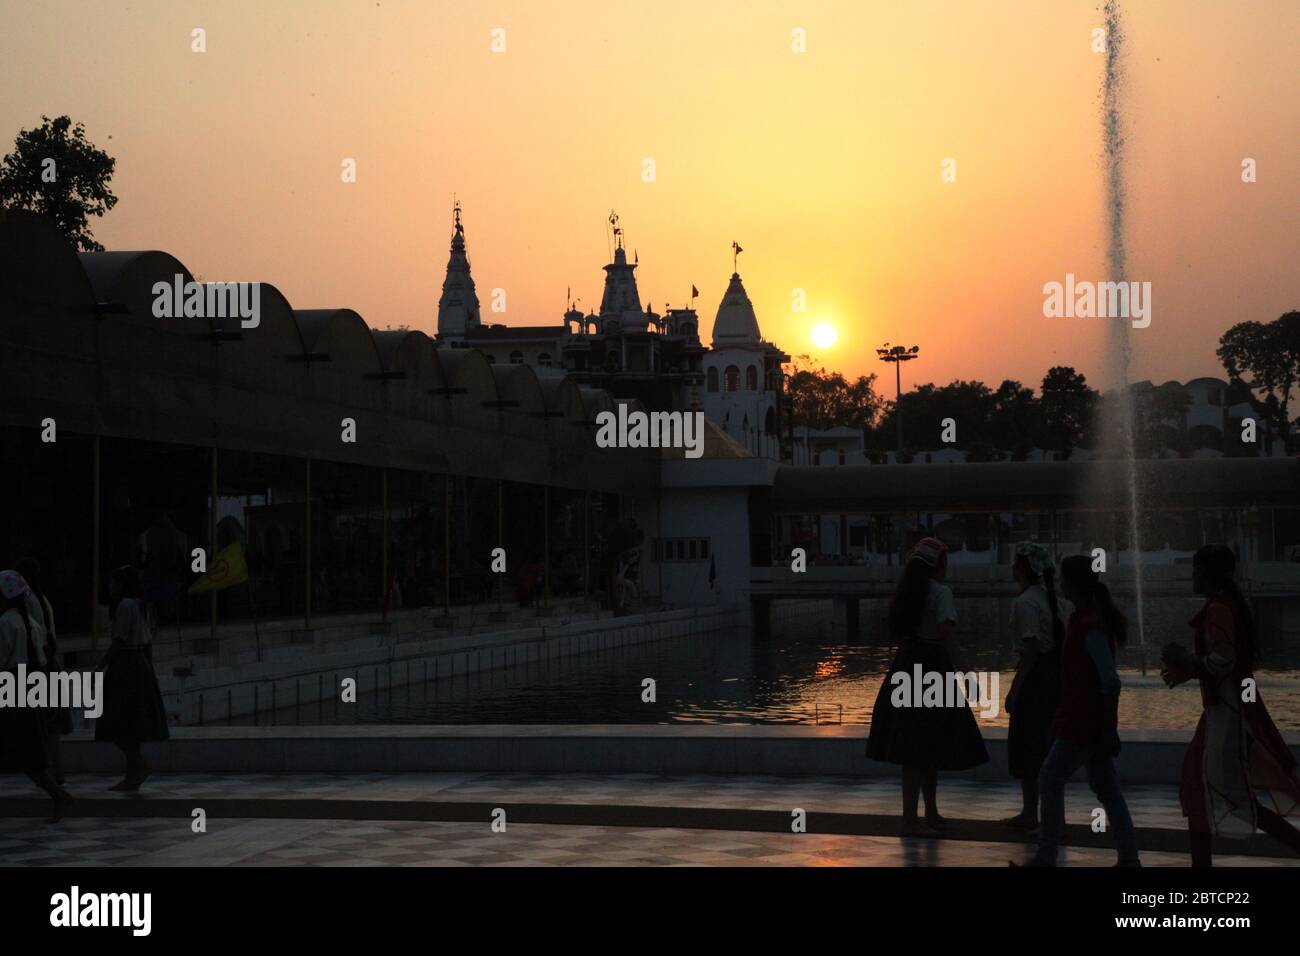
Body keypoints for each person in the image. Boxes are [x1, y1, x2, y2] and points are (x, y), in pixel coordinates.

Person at [1161, 544, 1300, 866]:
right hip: (1224, 712)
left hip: (1227, 715)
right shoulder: (1225, 605)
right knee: (1215, 793)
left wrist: (1189, 662)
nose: (1191, 576)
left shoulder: (1218, 608)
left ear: (1206, 573)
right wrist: (1189, 670)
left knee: (1212, 794)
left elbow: (1224, 660)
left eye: (1195, 570)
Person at [1019, 555, 1139, 866]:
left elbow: (1109, 680)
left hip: (1084, 722)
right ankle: (1129, 859)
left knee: (1049, 777)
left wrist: (1108, 727)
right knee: (1107, 790)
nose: (1058, 584)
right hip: (1083, 719)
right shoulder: (1084, 619)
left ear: (1072, 583)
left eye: (1061, 579)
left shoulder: (1089, 624)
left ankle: (1046, 857)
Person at [867, 537, 989, 836]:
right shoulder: (942, 593)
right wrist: (968, 675)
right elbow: (947, 637)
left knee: (912, 747)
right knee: (929, 745)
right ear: (939, 565)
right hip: (934, 668)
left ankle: (914, 816)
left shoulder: (907, 594)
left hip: (906, 665)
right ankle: (927, 814)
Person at [0, 569, 72, 820]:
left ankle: (59, 795)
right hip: (31, 685)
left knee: (25, 750)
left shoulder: (6, 623)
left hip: (11, 685)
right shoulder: (31, 623)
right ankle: (57, 795)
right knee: (29, 747)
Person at [1002, 542, 1063, 831]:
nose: (1012, 568)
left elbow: (1031, 648)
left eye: (1016, 563)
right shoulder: (1053, 600)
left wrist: (1015, 689)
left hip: (1036, 679)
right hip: (1053, 678)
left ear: (1024, 568)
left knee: (1027, 747)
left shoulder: (1025, 602)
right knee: (1046, 747)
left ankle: (1030, 813)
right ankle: (1048, 814)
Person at [95, 565, 170, 791]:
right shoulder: (140, 605)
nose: (110, 587)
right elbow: (147, 643)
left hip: (126, 665)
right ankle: (132, 775)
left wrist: (100, 667)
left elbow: (119, 641)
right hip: (140, 664)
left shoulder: (126, 605)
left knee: (115, 721)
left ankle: (140, 765)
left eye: (113, 583)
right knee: (131, 725)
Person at [14, 557, 73, 785]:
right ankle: (57, 772)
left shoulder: (26, 603)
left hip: (39, 665)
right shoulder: (43, 599)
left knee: (42, 724)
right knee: (50, 724)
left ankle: (52, 776)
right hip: (49, 663)